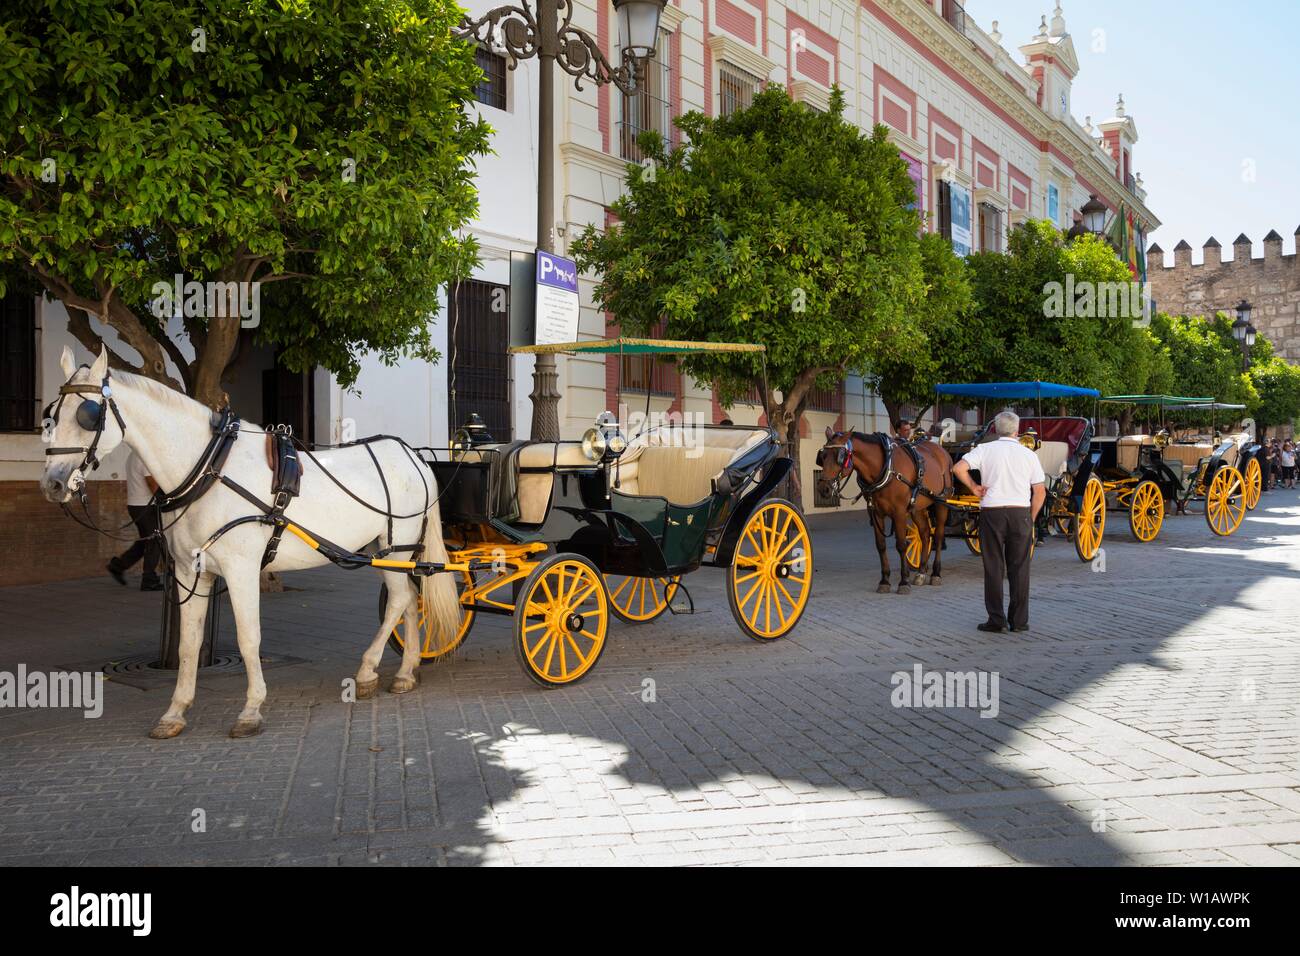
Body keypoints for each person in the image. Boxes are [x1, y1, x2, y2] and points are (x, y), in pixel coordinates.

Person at [952, 411, 1045, 634]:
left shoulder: (985, 449)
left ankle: (997, 620)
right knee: (1020, 568)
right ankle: (1019, 621)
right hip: (1020, 513)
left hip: (992, 513)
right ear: (1017, 429)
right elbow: (1039, 492)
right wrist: (1030, 518)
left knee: (993, 567)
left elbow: (958, 468)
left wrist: (974, 488)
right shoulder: (1028, 454)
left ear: (994, 429)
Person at [107, 451, 163, 591]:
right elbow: (152, 483)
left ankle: (118, 566)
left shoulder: (132, 455)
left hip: (135, 505)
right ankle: (149, 579)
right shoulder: (145, 456)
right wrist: (164, 501)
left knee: (145, 541)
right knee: (155, 540)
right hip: (146, 506)